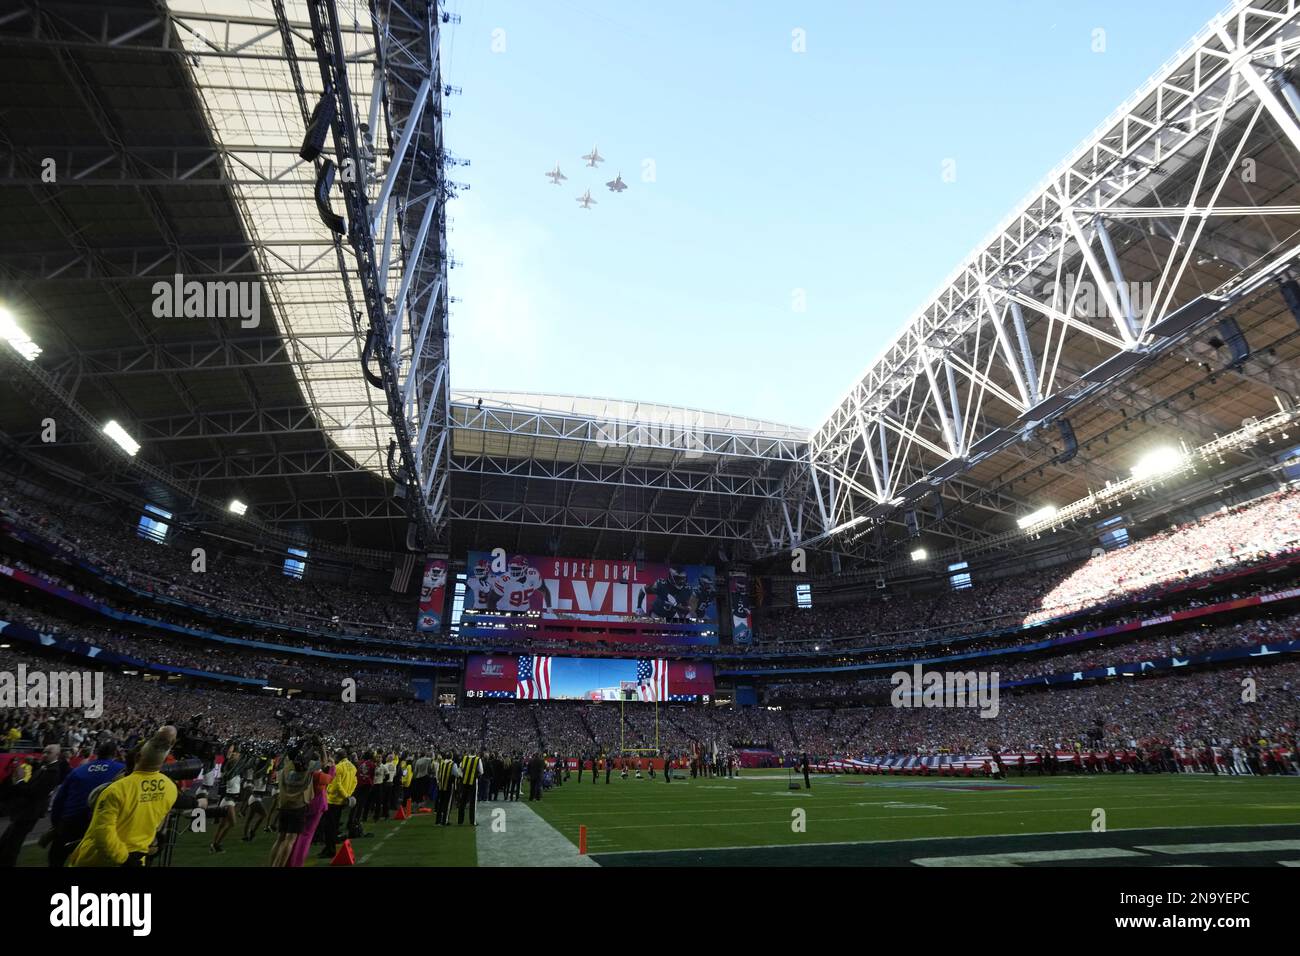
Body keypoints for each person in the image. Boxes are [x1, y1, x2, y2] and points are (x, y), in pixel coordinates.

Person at [66, 727, 178, 868]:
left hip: (100, 859)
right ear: (163, 761)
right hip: (137, 858)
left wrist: (124, 858)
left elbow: (103, 832)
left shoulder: (116, 789)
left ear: (137, 757)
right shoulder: (170, 788)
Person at [48, 740, 124, 867]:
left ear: (97, 753)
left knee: (56, 859)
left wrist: (56, 824)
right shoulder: (121, 770)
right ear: (115, 753)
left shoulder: (79, 770)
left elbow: (59, 799)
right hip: (97, 824)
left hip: (70, 822)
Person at [0, 744, 66, 867]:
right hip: (24, 811)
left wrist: (20, 780)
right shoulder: (45, 766)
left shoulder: (53, 771)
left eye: (48, 752)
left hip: (29, 813)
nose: (44, 755)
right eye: (44, 752)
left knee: (12, 845)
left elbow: (34, 792)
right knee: (6, 842)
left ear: (57, 755)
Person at [318, 748, 356, 860]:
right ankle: (328, 848)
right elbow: (355, 782)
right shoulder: (352, 766)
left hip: (333, 800)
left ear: (338, 756)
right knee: (333, 826)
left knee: (329, 827)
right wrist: (348, 794)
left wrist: (344, 795)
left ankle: (330, 850)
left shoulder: (338, 767)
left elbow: (337, 785)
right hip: (341, 801)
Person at [457, 751, 482, 825]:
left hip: (464, 782)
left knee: (462, 801)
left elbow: (460, 769)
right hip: (473, 782)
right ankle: (472, 821)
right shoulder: (478, 759)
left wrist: (463, 776)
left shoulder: (464, 758)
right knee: (473, 802)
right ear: (475, 753)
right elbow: (481, 771)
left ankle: (460, 821)